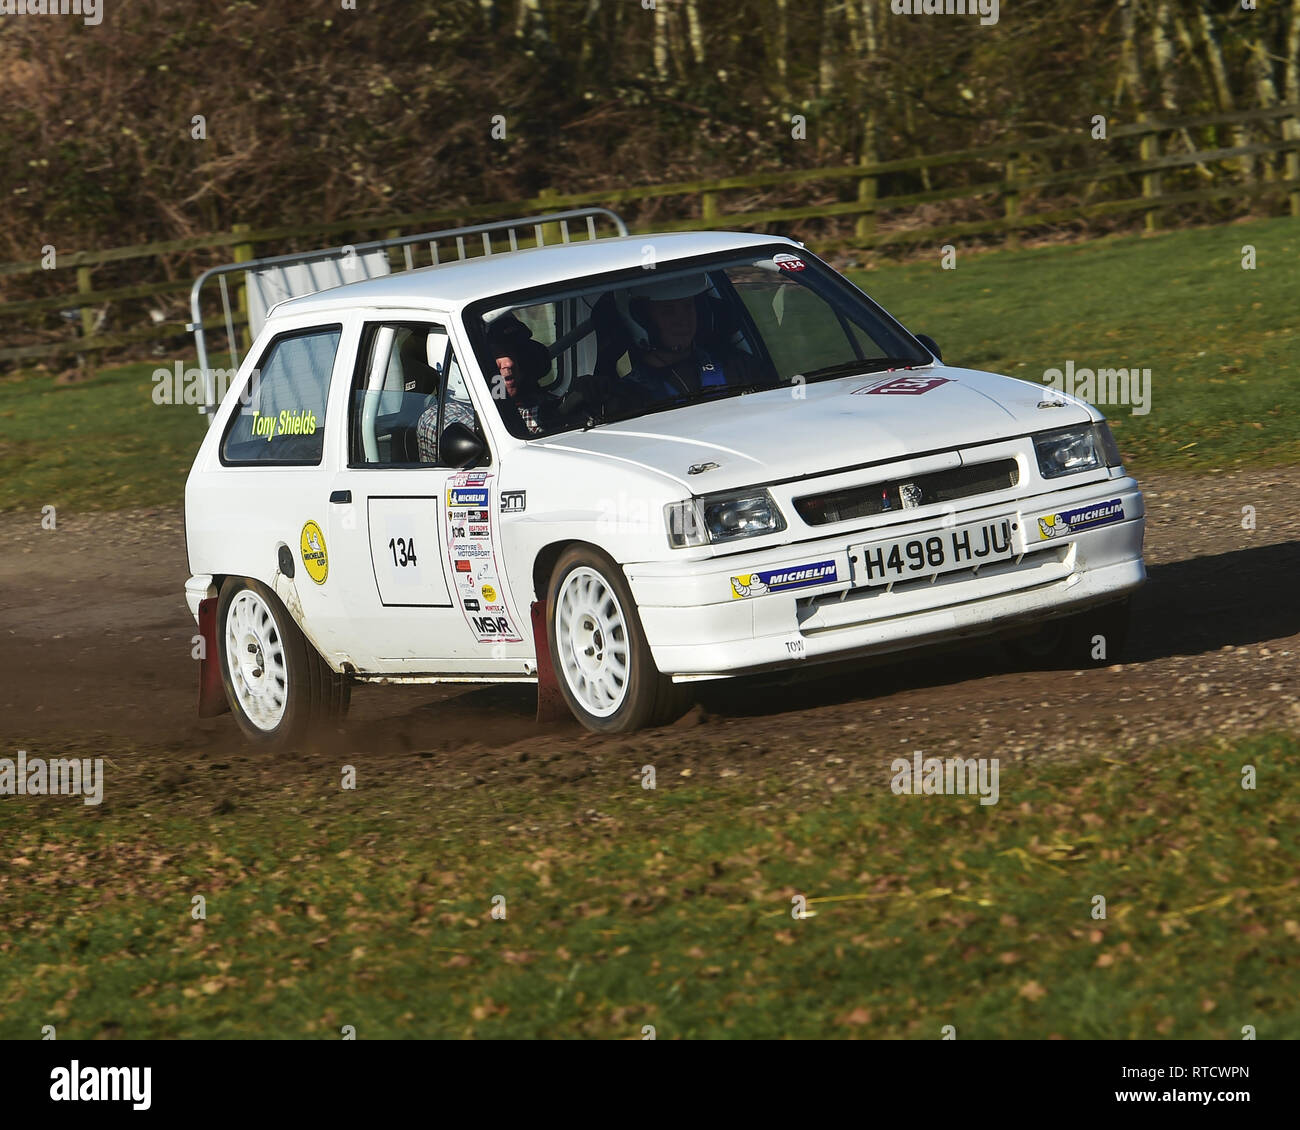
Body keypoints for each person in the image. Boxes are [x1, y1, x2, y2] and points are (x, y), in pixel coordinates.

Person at [616, 275, 759, 405]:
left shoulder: (737, 366)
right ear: (642, 319)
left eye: (688, 306)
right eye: (668, 311)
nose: (683, 320)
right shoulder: (629, 395)